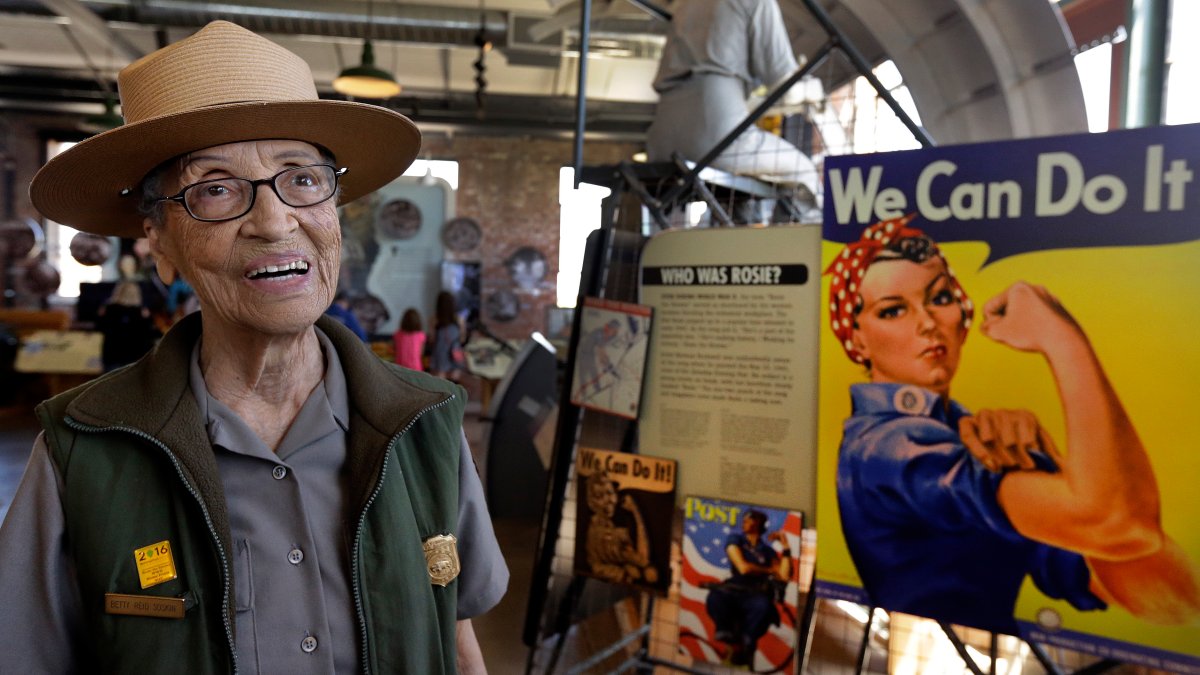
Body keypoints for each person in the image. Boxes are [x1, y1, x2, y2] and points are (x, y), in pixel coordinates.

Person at [0, 21, 508, 673]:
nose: (273, 221)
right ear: (157, 238)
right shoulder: (83, 447)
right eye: (215, 188)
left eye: (301, 178)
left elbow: (455, 638)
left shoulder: (427, 425)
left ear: (334, 210)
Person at [827, 214, 1200, 635]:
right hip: (920, 650)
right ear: (856, 339)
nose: (928, 323)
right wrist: (1063, 339)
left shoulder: (961, 434)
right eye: (893, 310)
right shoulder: (891, 447)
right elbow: (1117, 522)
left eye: (940, 298)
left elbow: (1172, 599)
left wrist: (1051, 467)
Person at [646, 0, 821, 196]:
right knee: (803, 171)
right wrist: (814, 91)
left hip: (662, 140)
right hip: (714, 135)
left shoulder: (685, 4)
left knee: (740, 197)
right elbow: (787, 89)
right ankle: (784, 227)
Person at [704, 510, 792, 666]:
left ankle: (746, 641)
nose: (744, 522)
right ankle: (726, 634)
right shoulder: (736, 539)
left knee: (763, 607)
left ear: (758, 522)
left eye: (749, 519)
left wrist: (785, 546)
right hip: (733, 589)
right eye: (744, 519)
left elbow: (784, 576)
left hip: (756, 594)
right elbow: (743, 568)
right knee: (715, 597)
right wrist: (769, 570)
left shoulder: (767, 551)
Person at [582, 470, 657, 586]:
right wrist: (622, 573)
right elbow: (595, 565)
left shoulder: (615, 526)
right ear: (592, 502)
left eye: (610, 493)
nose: (609, 500)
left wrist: (635, 512)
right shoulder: (596, 531)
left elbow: (642, 559)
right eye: (600, 496)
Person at [95, 280, 160, 372]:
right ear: (137, 293)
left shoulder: (108, 309)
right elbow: (149, 334)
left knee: (111, 384)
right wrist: (147, 319)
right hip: (135, 357)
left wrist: (100, 316)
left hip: (112, 356)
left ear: (117, 292)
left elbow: (99, 328)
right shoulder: (142, 312)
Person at [431, 290, 466, 380]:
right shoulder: (460, 320)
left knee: (440, 384)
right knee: (455, 383)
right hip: (455, 353)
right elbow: (462, 340)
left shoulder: (434, 320)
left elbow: (432, 339)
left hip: (440, 355)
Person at [394, 307, 426, 371]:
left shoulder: (398, 334)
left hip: (400, 367)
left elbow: (395, 349)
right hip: (415, 367)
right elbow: (421, 353)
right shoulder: (421, 335)